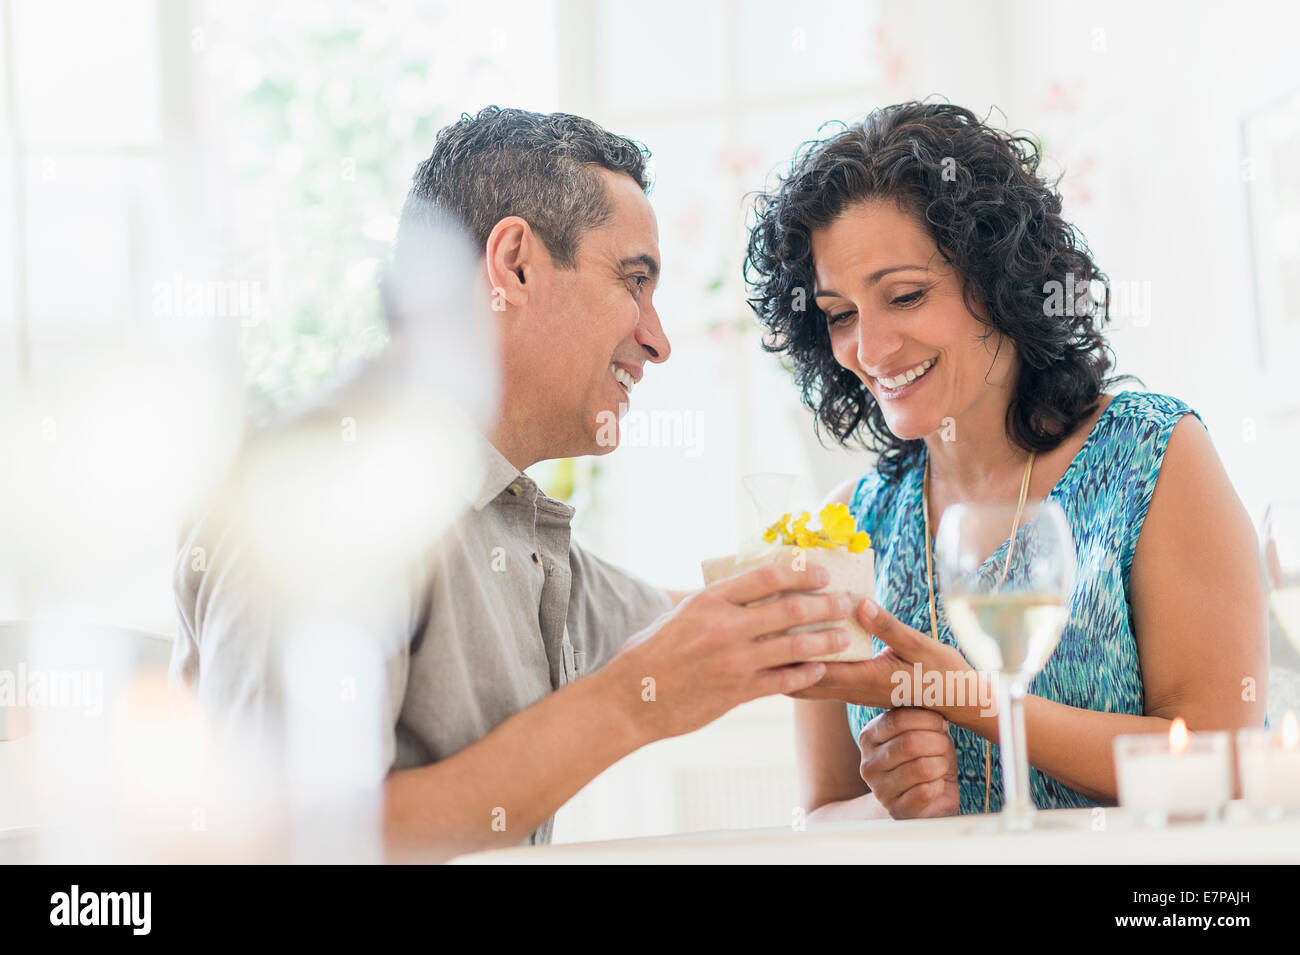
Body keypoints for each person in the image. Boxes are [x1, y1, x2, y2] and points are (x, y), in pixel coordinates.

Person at [173, 107, 853, 859]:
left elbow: (697, 630)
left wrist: (919, 669)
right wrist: (630, 702)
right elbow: (285, 843)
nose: (657, 341)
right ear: (515, 265)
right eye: (633, 281)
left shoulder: (502, 521)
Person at [744, 102, 1269, 820]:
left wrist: (971, 701)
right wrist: (895, 801)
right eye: (839, 314)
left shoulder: (1154, 458)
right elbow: (826, 810)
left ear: (1003, 282)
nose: (868, 349)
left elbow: (1224, 758)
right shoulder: (850, 526)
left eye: (905, 296)